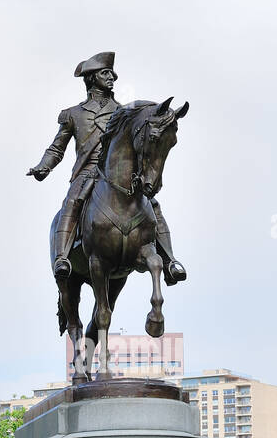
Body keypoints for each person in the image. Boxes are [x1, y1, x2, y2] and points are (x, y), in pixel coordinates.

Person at [28, 51, 186, 285]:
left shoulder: (124, 112)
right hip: (87, 172)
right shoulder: (73, 114)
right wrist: (43, 167)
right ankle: (62, 257)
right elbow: (56, 148)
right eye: (105, 73)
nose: (112, 77)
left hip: (119, 173)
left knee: (152, 204)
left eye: (112, 73)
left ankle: (170, 261)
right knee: (72, 202)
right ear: (92, 78)